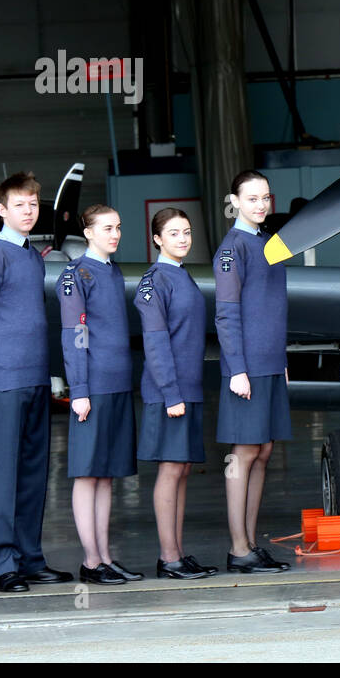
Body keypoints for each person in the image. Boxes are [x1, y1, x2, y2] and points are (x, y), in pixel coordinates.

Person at [0, 171, 73, 593]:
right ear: (3, 210)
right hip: (5, 380)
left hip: (37, 379)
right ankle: (2, 564)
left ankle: (30, 558)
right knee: (5, 474)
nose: (28, 211)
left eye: (33, 204)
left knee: (33, 473)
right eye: (19, 205)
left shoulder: (31, 256)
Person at [57, 205, 141, 585]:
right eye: (107, 228)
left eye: (119, 227)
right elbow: (75, 334)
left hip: (119, 384)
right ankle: (90, 562)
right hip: (93, 385)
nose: (115, 234)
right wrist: (80, 389)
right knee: (87, 474)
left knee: (106, 475)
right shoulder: (76, 275)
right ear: (87, 233)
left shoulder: (113, 271)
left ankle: (105, 556)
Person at [215, 170, 291, 573]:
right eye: (252, 199)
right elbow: (226, 314)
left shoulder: (267, 243)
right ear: (235, 202)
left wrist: (280, 362)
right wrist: (236, 369)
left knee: (263, 451)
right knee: (243, 454)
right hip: (245, 367)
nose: (261, 205)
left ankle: (251, 543)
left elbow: (271, 307)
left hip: (270, 364)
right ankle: (238, 548)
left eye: (265, 198)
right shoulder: (233, 249)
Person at [136, 208, 216, 579]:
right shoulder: (155, 281)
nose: (183, 239)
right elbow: (155, 344)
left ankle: (178, 553)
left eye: (186, 232)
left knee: (182, 469)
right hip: (169, 391)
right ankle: (168, 558)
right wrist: (170, 394)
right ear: (157, 240)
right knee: (170, 470)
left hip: (189, 388)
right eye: (173, 233)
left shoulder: (183, 276)